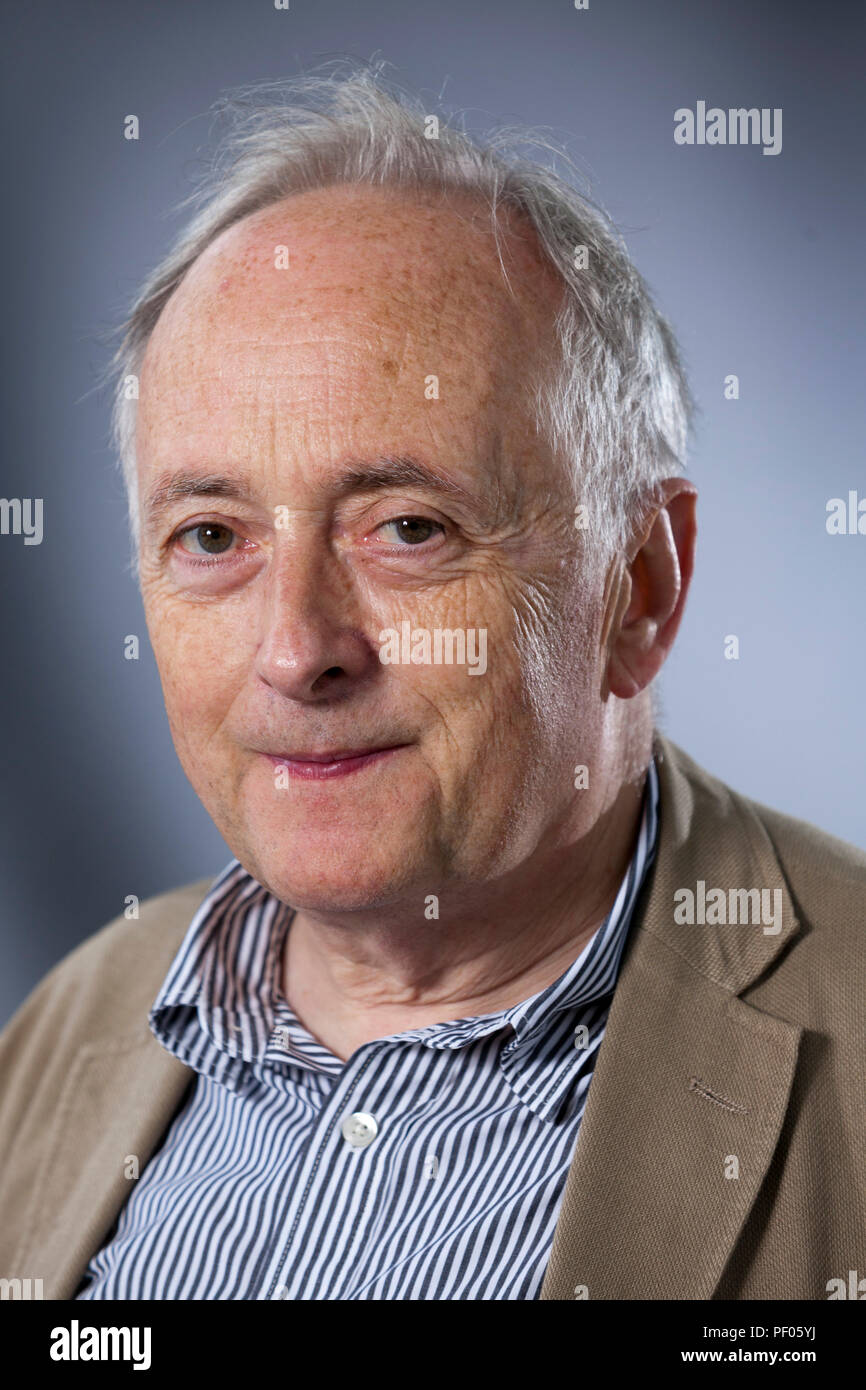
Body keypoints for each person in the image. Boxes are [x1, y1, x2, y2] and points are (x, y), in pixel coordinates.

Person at [1, 66, 863, 1301]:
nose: (297, 650)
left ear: (640, 584)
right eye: (211, 537)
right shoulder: (70, 1028)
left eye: (406, 528)